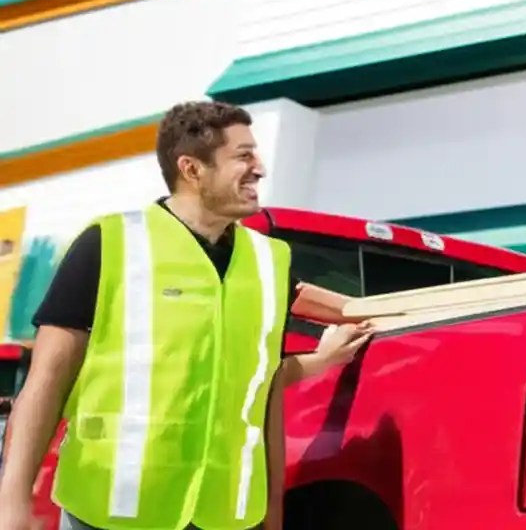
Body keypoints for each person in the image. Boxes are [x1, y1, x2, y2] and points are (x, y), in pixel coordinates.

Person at [0, 101, 374, 530]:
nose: (260, 168)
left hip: (224, 515)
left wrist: (272, 516)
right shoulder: (110, 243)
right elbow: (46, 381)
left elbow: (259, 387)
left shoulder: (269, 264)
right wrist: (12, 502)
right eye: (243, 155)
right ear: (192, 169)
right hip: (112, 511)